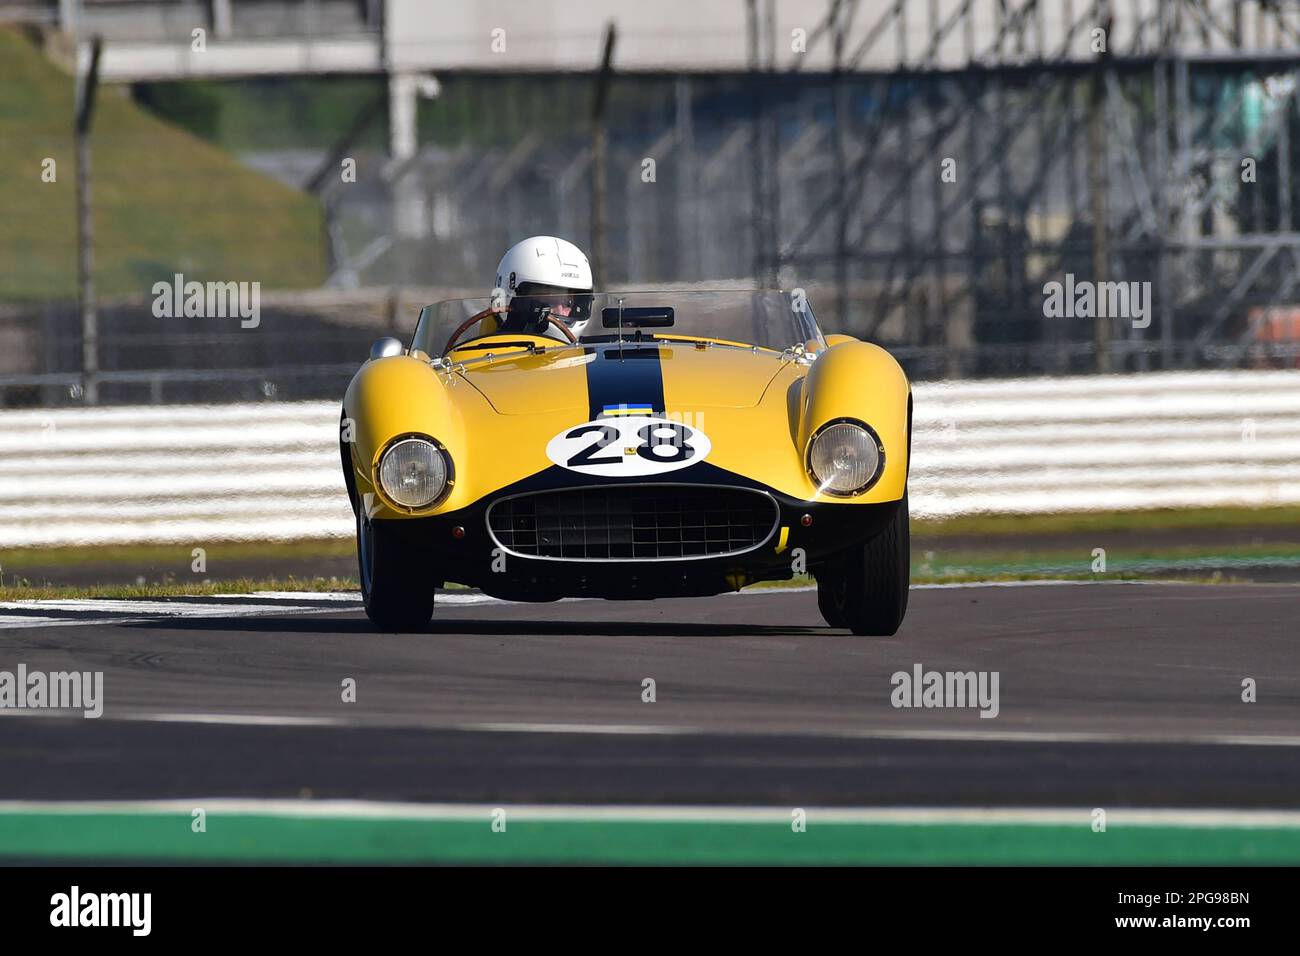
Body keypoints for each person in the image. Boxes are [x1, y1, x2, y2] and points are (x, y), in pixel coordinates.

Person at [492, 236, 595, 339]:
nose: (559, 311)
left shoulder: (590, 353)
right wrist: (512, 333)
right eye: (549, 303)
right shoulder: (487, 352)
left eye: (568, 304)